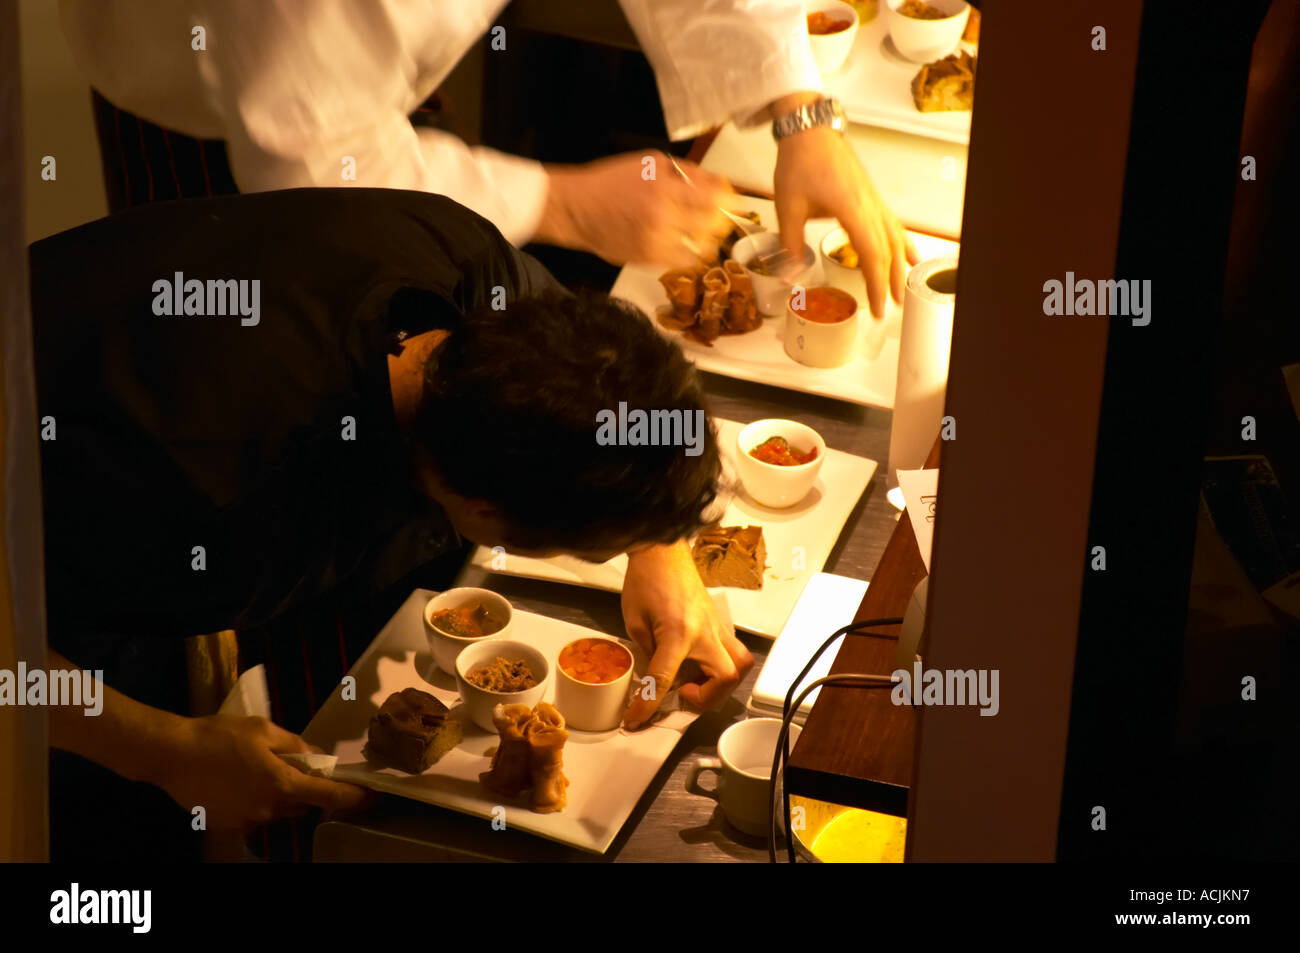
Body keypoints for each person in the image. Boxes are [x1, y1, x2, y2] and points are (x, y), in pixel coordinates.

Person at [31, 187, 751, 852]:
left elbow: (598, 383)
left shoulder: (481, 283)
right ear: (480, 512)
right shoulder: (212, 470)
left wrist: (657, 537)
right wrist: (163, 750)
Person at [60, 0, 918, 318]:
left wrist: (798, 109)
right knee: (277, 441)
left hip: (364, 92)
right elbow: (318, 169)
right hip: (209, 126)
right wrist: (567, 205)